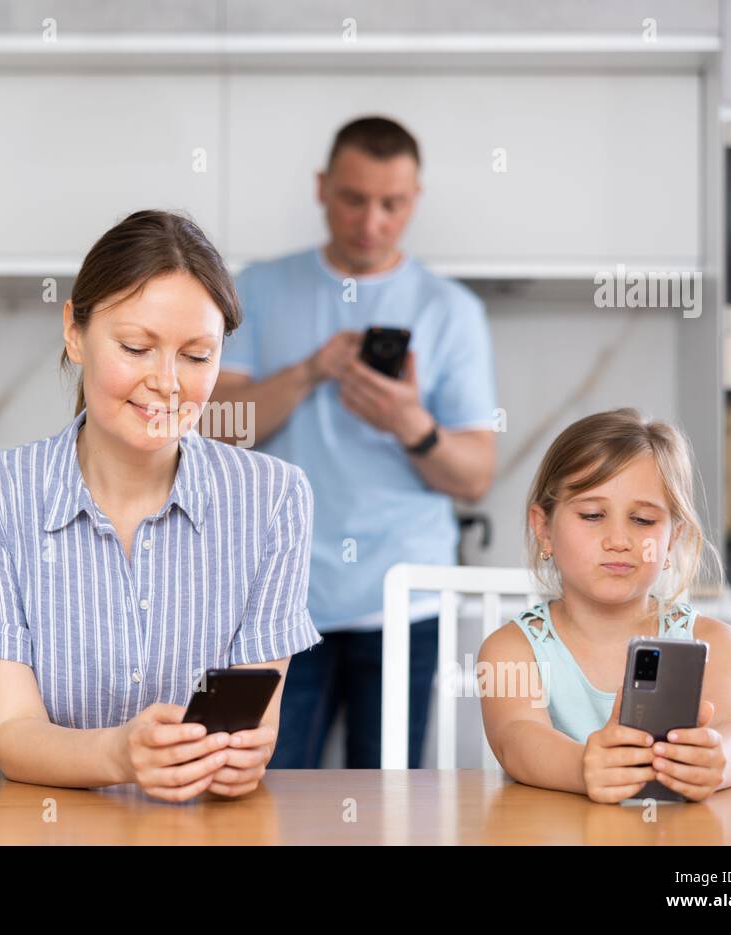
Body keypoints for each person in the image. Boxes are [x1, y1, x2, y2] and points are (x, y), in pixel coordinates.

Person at [0, 210, 321, 801]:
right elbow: (12, 732)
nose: (168, 382)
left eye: (197, 356)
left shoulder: (273, 500)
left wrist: (241, 756)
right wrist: (121, 753)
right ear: (73, 332)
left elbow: (251, 717)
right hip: (22, 824)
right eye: (137, 347)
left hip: (186, 828)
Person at [209, 116, 497, 767]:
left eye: (391, 204)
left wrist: (411, 424)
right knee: (265, 791)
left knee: (391, 804)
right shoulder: (256, 288)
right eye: (353, 198)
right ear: (321, 188)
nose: (371, 221)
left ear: (414, 200)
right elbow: (216, 430)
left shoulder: (451, 311)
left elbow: (476, 474)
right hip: (280, 595)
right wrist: (310, 370)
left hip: (404, 600)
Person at [478, 408, 731, 802]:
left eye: (643, 520)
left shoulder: (716, 644)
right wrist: (584, 766)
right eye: (593, 515)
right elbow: (515, 739)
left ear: (672, 539)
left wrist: (717, 759)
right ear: (543, 528)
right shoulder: (510, 650)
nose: (619, 539)